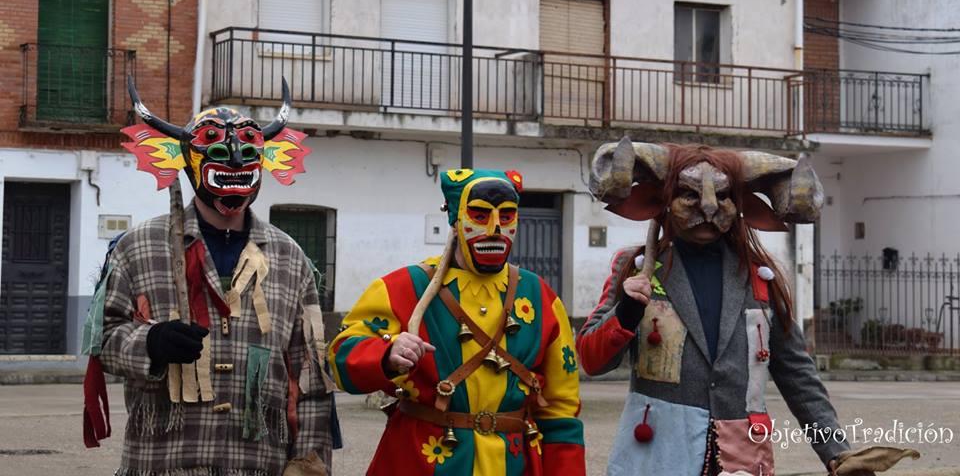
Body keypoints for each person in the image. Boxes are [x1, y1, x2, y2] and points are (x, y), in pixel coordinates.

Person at [83, 79, 335, 476]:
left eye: (248, 153)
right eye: (217, 152)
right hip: (162, 462)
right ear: (185, 161)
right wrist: (150, 342)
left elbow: (312, 378)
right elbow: (103, 341)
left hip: (256, 464)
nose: (234, 162)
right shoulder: (137, 247)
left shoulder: (291, 257)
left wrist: (308, 467)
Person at [577, 139, 862, 476]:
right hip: (656, 457)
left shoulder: (759, 278)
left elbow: (798, 377)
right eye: (689, 195)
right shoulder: (636, 269)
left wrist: (837, 453)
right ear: (662, 200)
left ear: (740, 205)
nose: (709, 207)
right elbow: (592, 360)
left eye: (723, 196)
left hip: (741, 458)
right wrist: (625, 312)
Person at [329, 168, 585, 475]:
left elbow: (562, 409)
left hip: (514, 464)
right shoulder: (404, 287)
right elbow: (340, 358)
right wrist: (386, 354)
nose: (495, 228)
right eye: (480, 215)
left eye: (506, 216)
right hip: (421, 461)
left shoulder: (540, 297)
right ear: (455, 220)